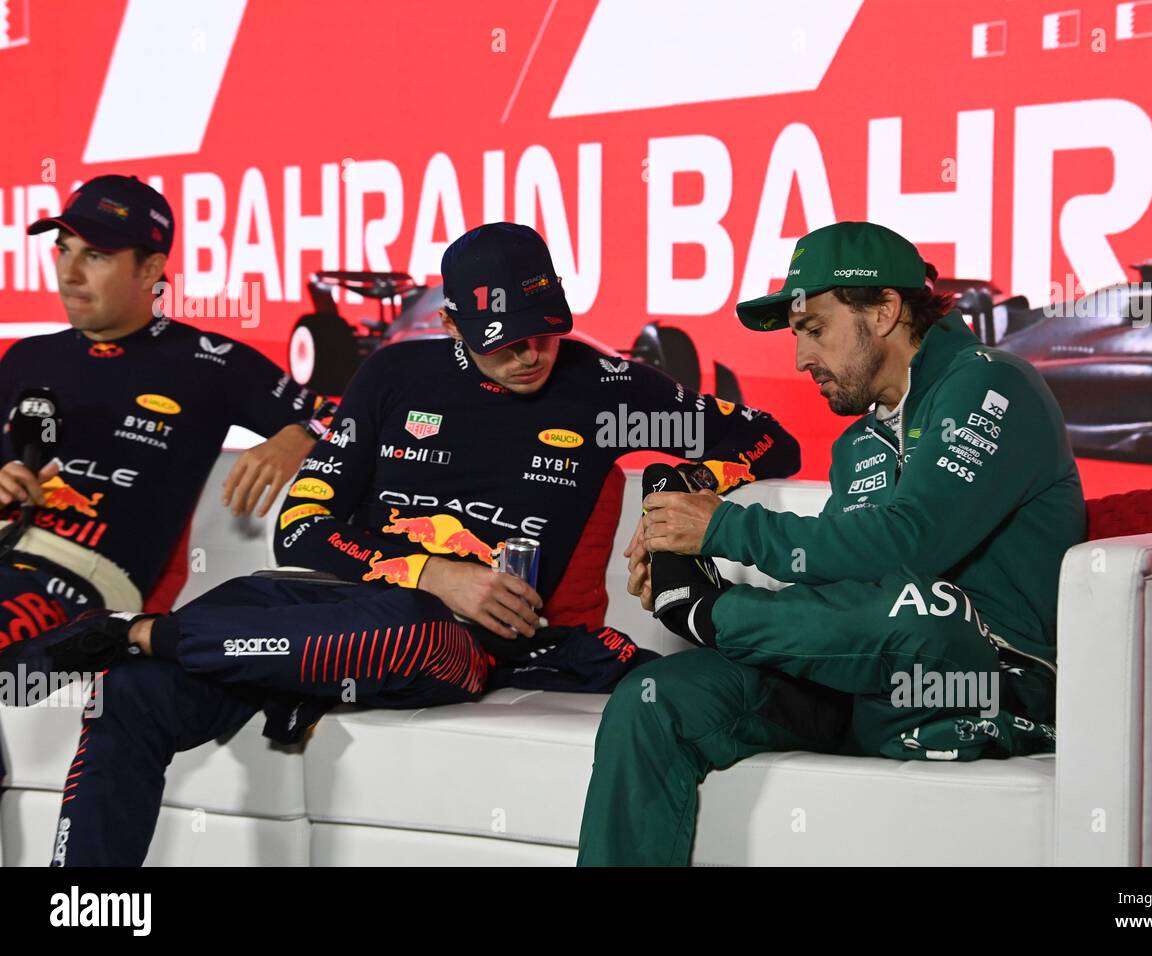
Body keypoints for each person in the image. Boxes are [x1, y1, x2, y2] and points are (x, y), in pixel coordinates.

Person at [36, 221, 801, 865]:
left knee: (407, 635)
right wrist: (432, 569)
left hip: (461, 639)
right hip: (317, 610)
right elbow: (300, 529)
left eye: (544, 332)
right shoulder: (395, 374)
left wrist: (682, 478)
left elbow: (772, 443)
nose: (531, 354)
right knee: (126, 697)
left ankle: (148, 635)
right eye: (503, 342)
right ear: (451, 327)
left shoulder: (608, 389)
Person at [578, 221, 1086, 866]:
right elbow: (843, 584)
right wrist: (691, 545)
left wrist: (724, 528)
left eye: (814, 329)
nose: (799, 358)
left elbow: (910, 542)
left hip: (983, 676)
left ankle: (707, 612)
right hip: (866, 682)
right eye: (797, 335)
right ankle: (706, 608)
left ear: (885, 309)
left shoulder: (993, 384)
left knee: (920, 605)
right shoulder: (860, 444)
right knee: (654, 698)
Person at [0, 174, 333, 651]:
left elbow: (350, 419)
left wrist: (300, 433)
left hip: (84, 584)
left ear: (150, 268)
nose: (69, 274)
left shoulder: (211, 360)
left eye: (94, 256)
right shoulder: (26, 357)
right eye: (63, 250)